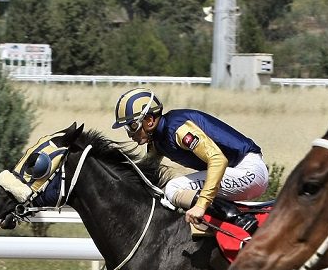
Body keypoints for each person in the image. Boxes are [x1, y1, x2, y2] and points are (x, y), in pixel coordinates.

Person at [111, 87, 269, 234]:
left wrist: (201, 205)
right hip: (236, 172)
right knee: (168, 192)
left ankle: (240, 220)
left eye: (131, 126)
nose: (129, 134)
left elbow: (218, 160)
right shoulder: (156, 140)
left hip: (249, 172)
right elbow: (146, 174)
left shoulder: (178, 129)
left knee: (174, 188)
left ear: (149, 120)